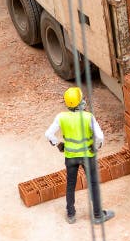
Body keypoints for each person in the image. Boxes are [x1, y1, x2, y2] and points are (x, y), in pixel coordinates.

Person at [45, 87, 114, 224]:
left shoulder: (61, 117)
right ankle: (98, 215)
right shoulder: (88, 117)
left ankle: (71, 214)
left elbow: (48, 134)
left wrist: (58, 144)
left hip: (70, 157)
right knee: (93, 184)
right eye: (82, 98)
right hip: (87, 156)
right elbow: (100, 137)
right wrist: (95, 147)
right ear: (80, 102)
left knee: (70, 184)